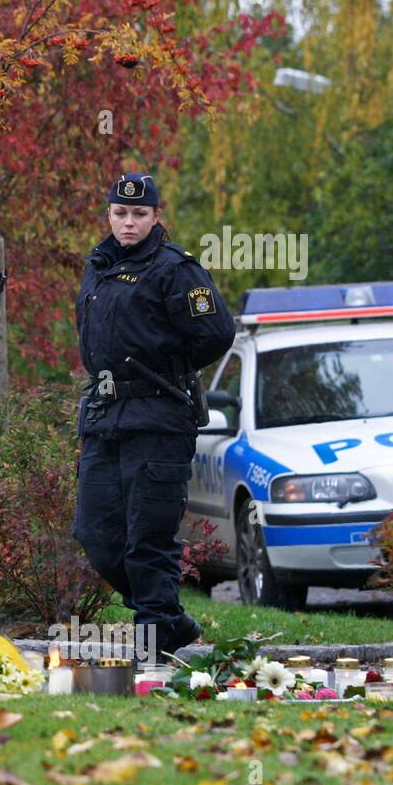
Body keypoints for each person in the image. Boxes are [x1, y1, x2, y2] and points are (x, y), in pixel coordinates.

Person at [72, 172, 235, 664]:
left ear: (156, 216)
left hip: (160, 419)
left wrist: (169, 364)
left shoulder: (175, 270)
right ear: (108, 215)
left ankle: (153, 645)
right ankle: (168, 619)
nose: (128, 223)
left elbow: (215, 334)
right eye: (120, 213)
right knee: (96, 533)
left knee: (148, 535)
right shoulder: (98, 266)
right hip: (105, 416)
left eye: (139, 214)